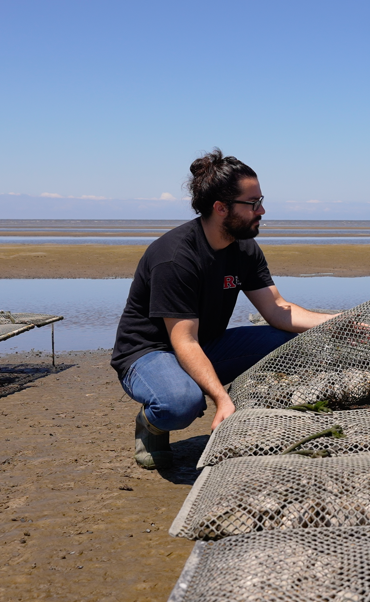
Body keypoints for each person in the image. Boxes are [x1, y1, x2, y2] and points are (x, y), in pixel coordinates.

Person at [111, 150, 337, 469]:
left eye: (261, 201)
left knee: (292, 342)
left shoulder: (244, 248)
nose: (262, 210)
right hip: (149, 354)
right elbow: (184, 342)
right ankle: (152, 424)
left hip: (205, 345)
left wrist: (339, 322)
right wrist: (221, 398)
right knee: (182, 402)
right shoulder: (175, 257)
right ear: (221, 208)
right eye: (253, 203)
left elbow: (277, 309)